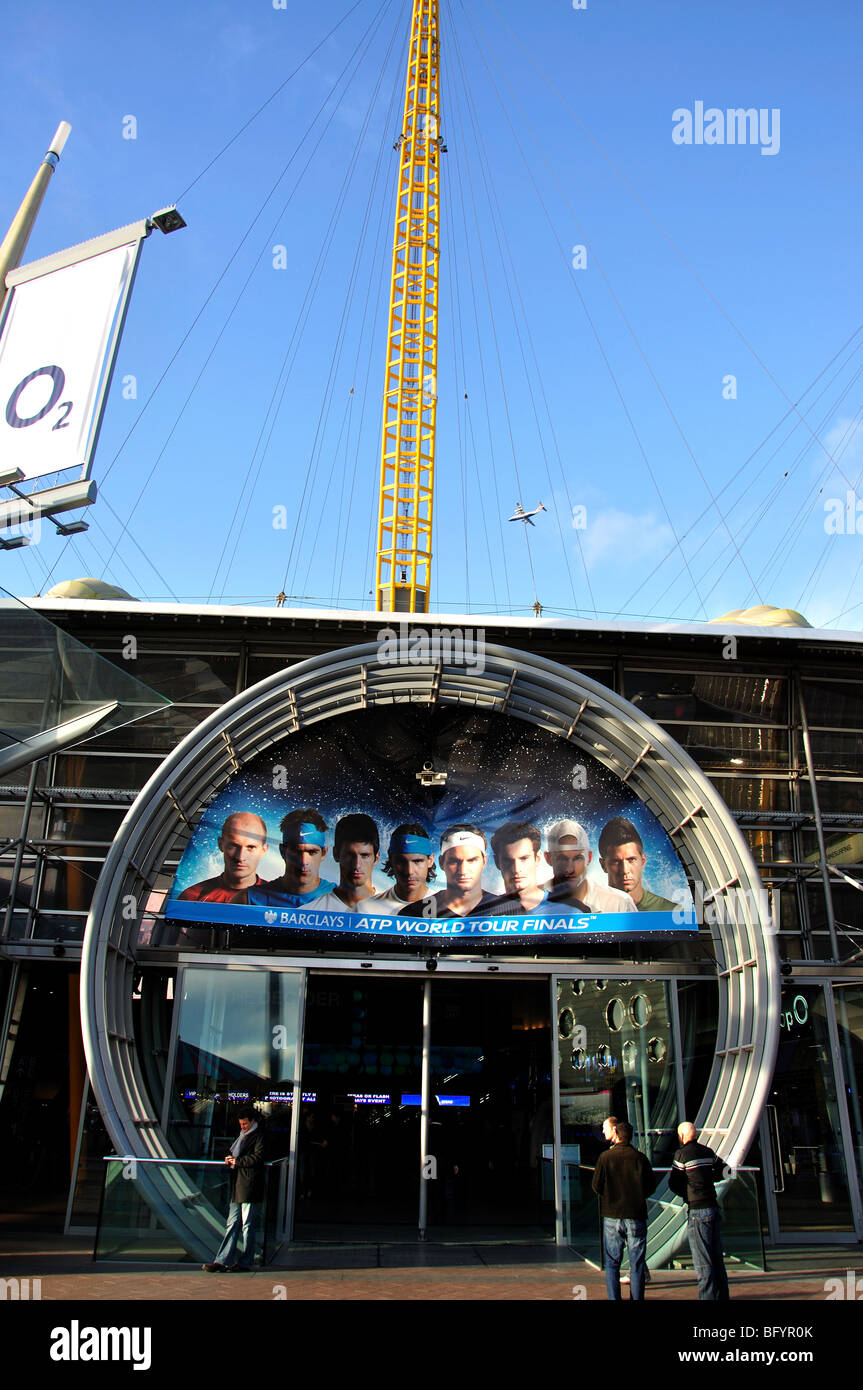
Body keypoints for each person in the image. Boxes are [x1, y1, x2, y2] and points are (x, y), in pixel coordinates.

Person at [591, 1120, 656, 1301]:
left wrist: (609, 1195)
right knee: (636, 1263)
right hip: (635, 1214)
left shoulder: (605, 1158)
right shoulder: (640, 1158)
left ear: (617, 1135)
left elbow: (596, 1186)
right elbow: (650, 1186)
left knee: (612, 1263)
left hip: (612, 1214)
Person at [669, 1121, 730, 1300]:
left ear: (681, 1136)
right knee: (717, 1258)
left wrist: (687, 1192)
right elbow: (726, 1171)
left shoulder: (681, 1155)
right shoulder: (707, 1151)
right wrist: (709, 1179)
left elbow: (674, 1183)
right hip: (712, 1206)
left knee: (703, 1262)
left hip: (697, 1210)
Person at [202, 1105, 266, 1272]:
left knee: (247, 1225)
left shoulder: (258, 1136)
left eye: (245, 1124)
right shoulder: (243, 1136)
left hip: (248, 1185)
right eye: (241, 1124)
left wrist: (237, 1161)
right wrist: (230, 1159)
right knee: (233, 1223)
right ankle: (222, 1260)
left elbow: (258, 1157)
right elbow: (240, 1154)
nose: (242, 1127)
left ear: (253, 1122)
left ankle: (243, 1261)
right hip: (239, 1185)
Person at [243, 808, 339, 907]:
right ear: (282, 851)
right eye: (296, 851)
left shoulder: (342, 901)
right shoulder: (250, 900)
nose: (303, 861)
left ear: (323, 853)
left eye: (312, 852)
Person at [403, 825, 496, 918]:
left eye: (472, 860)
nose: (463, 870)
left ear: (484, 861)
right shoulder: (413, 914)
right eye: (454, 861)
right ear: (441, 862)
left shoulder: (507, 911)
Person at [543, 819, 635, 914]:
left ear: (589, 857)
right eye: (562, 859)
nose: (570, 869)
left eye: (577, 858)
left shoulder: (619, 903)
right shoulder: (530, 903)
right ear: (548, 858)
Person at [178, 811, 268, 902]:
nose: (240, 857)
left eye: (251, 847)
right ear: (220, 844)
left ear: (263, 850)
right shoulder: (192, 896)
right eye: (233, 846)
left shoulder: (278, 899)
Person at [598, 817, 675, 911]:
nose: (625, 870)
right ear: (603, 865)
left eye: (631, 860)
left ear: (643, 861)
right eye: (616, 862)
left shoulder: (671, 912)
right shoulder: (589, 912)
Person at [358, 824, 436, 912]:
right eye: (401, 862)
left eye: (417, 861)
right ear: (391, 861)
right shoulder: (365, 910)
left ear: (430, 861)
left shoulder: (447, 911)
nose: (409, 871)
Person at [485, 821, 548, 915]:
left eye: (524, 858)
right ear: (497, 862)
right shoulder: (486, 913)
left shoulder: (565, 907)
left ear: (537, 858)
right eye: (508, 861)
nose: (516, 869)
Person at [330, 813, 380, 911]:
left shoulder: (396, 915)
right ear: (336, 854)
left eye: (365, 855)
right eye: (349, 855)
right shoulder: (311, 912)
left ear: (376, 857)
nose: (357, 865)